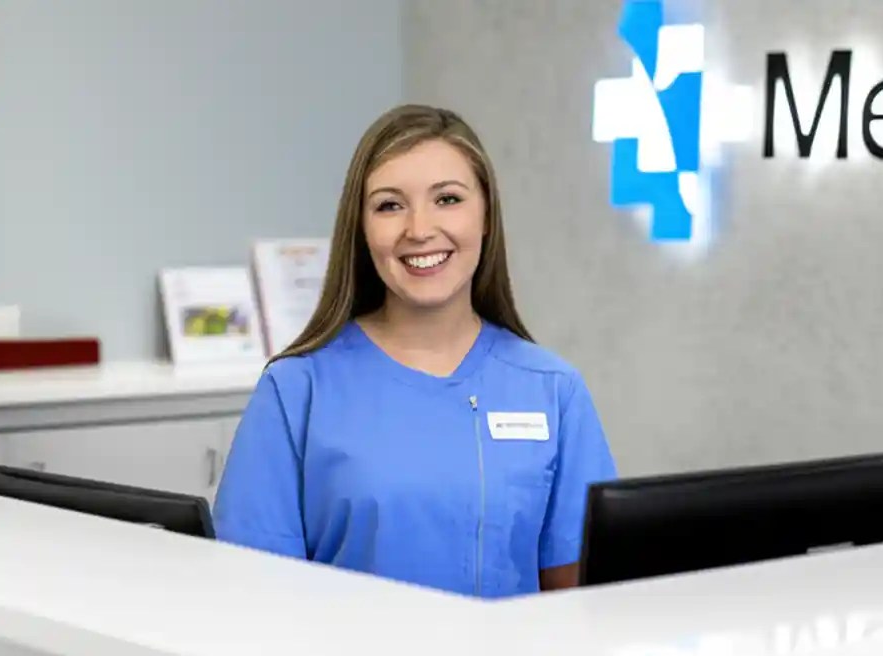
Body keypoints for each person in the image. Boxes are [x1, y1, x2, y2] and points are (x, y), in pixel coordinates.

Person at [212, 104, 617, 598]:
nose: (419, 229)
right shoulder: (296, 390)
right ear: (361, 229)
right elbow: (253, 601)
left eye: (447, 199)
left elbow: (583, 606)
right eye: (389, 205)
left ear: (486, 215)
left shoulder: (554, 390)